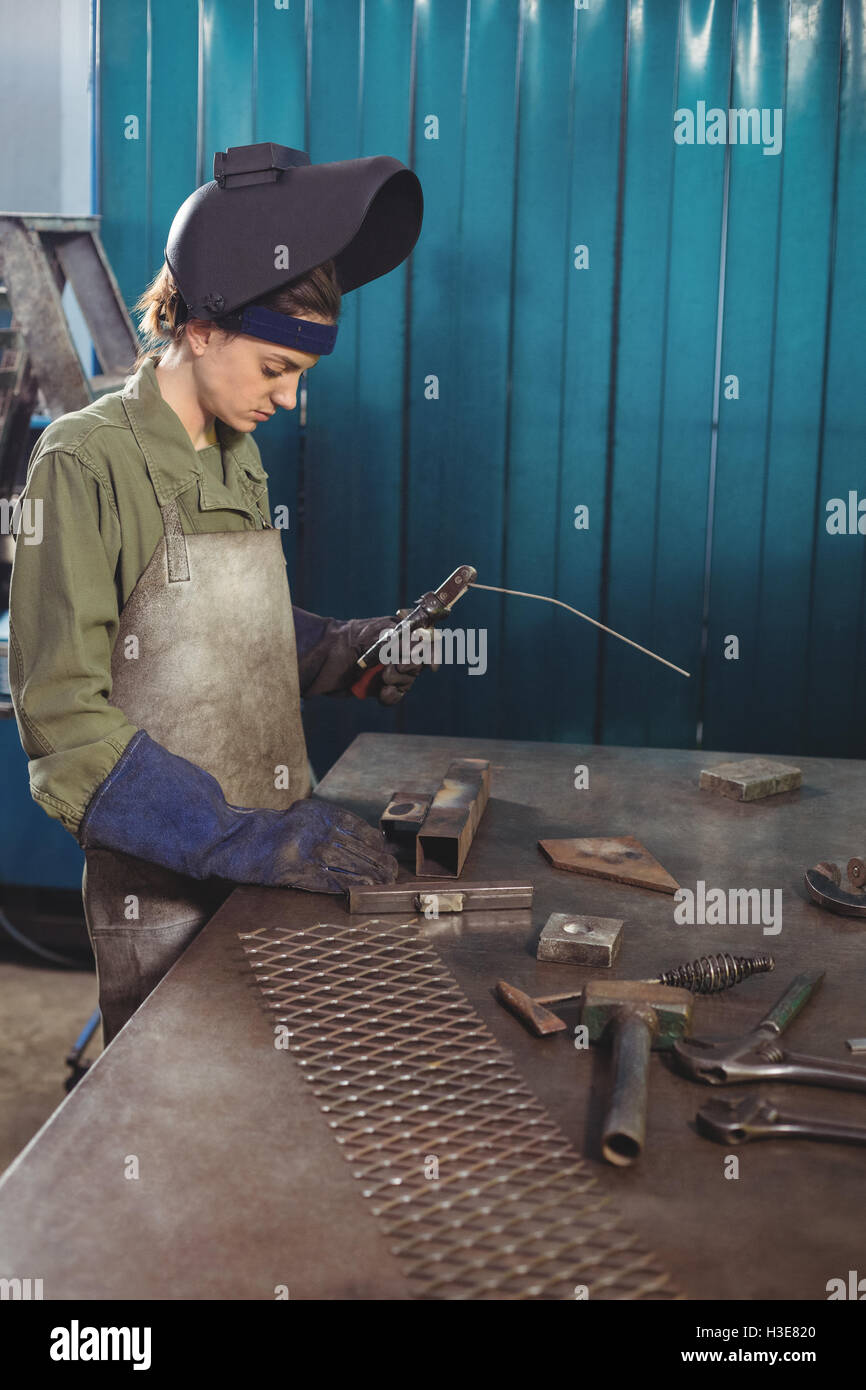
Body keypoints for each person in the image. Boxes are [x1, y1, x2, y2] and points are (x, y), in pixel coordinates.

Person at [8, 142, 425, 1045]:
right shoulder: (84, 460)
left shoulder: (239, 456)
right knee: (179, 1131)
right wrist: (236, 837)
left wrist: (348, 649)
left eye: (300, 378)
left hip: (278, 859)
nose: (287, 397)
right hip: (165, 888)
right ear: (200, 325)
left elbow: (226, 634)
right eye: (276, 367)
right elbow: (61, 716)